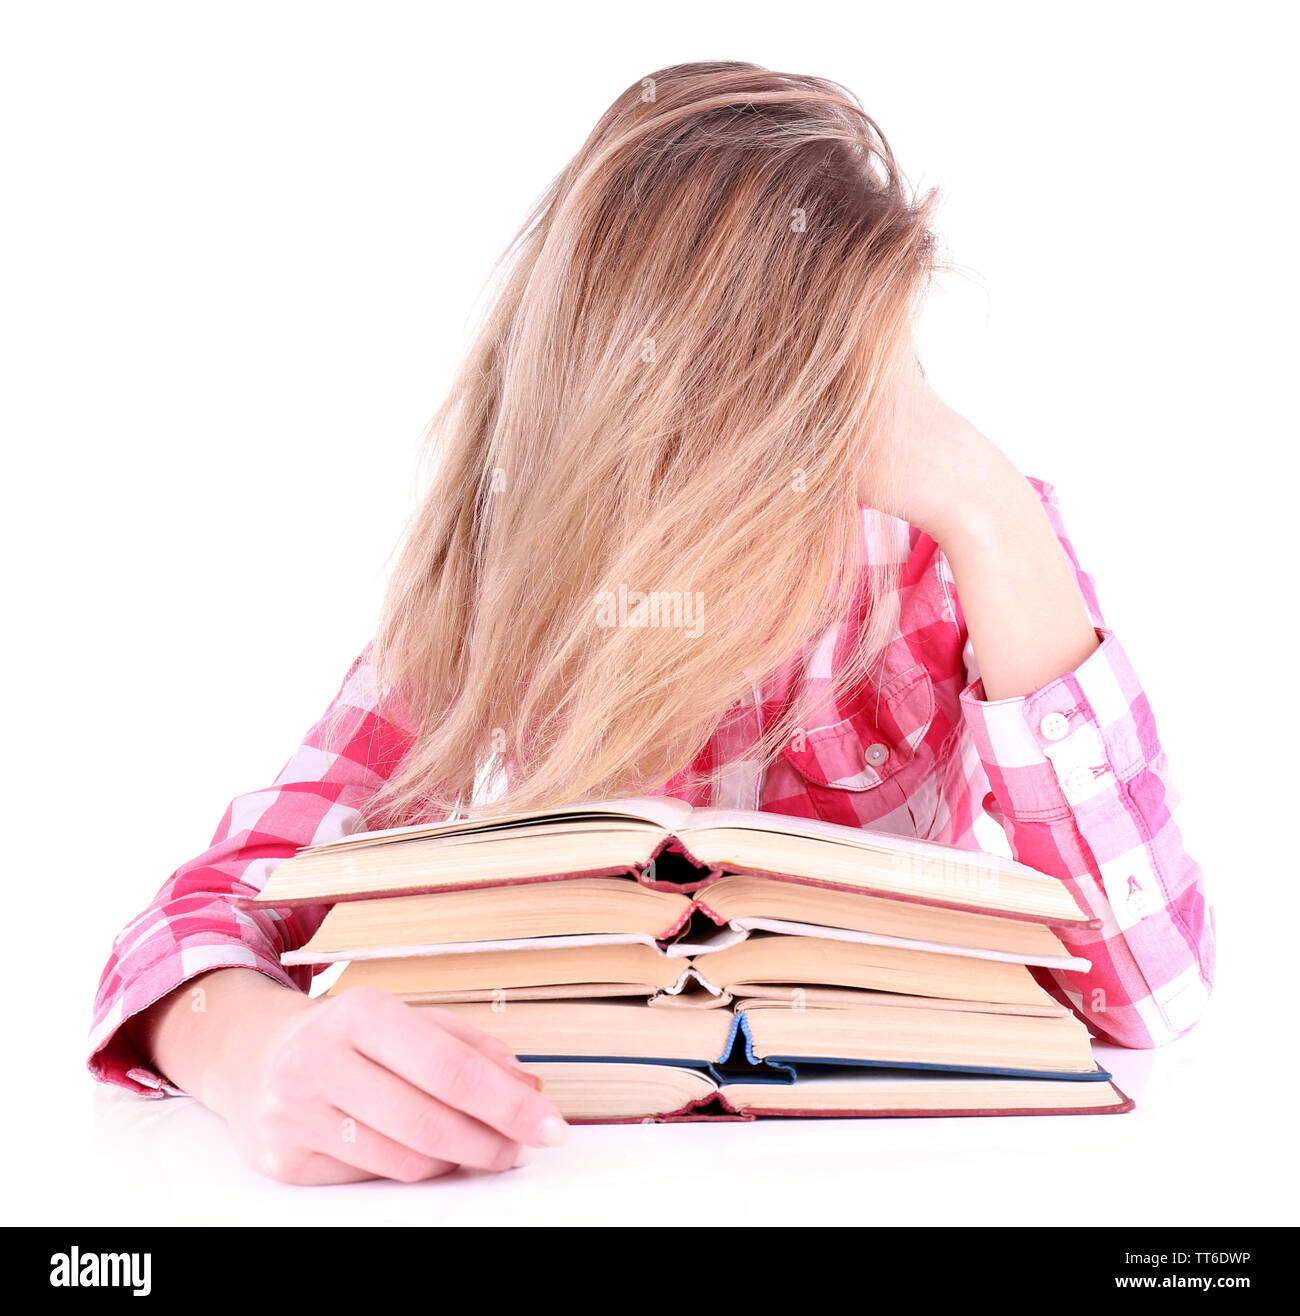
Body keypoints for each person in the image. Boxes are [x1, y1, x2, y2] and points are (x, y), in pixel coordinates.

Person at [88, 62, 1215, 1184]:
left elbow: (1150, 988)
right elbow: (205, 910)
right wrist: (251, 1049)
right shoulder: (507, 591)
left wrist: (987, 500)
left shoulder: (955, 562)